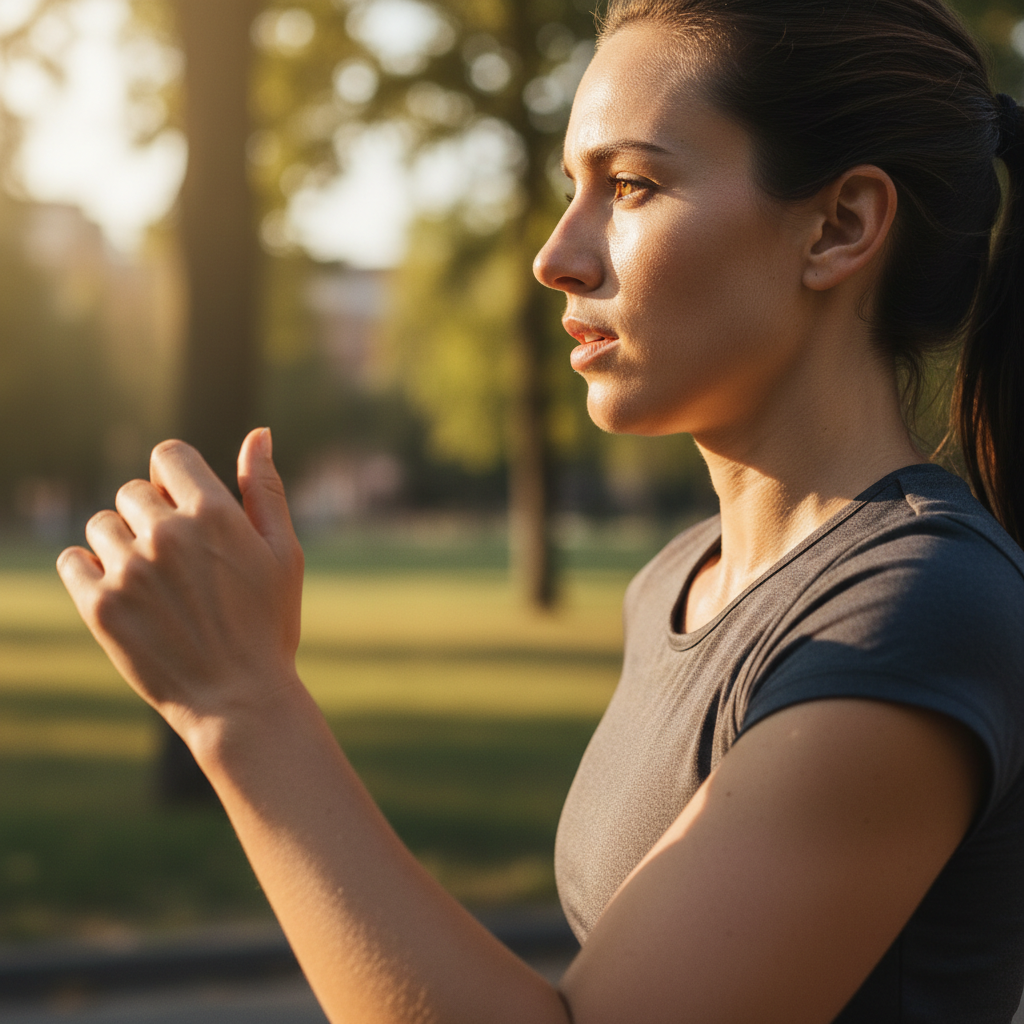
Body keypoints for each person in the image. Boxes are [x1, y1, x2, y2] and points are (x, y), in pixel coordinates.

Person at [57, 0, 1024, 1021]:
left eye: (631, 185)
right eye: (573, 187)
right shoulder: (680, 580)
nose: (557, 254)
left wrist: (243, 708)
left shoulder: (916, 613)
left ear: (840, 226)